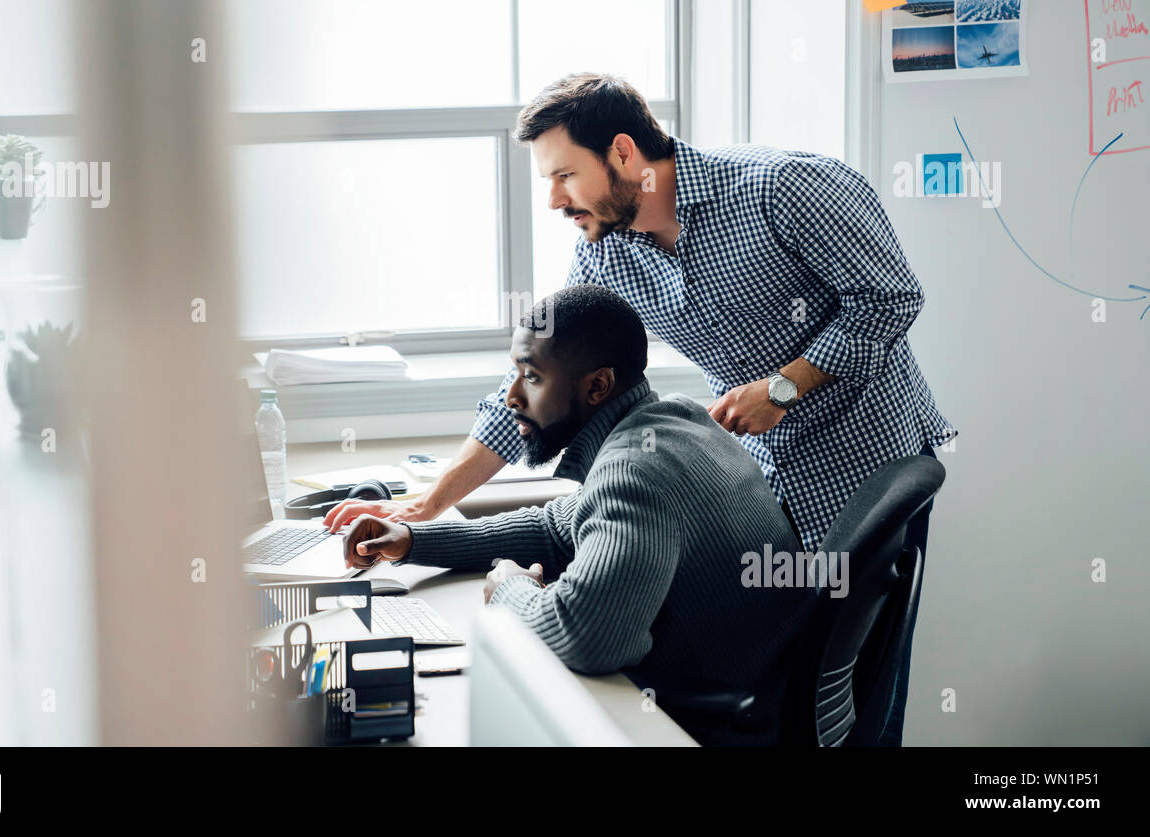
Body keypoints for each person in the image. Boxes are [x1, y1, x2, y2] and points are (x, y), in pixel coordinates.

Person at [327, 73, 956, 745]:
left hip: (865, 467)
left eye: (565, 174)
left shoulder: (782, 188)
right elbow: (546, 371)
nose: (552, 198)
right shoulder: (606, 252)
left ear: (624, 154)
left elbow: (889, 298)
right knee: (789, 684)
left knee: (855, 706)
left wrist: (783, 387)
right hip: (773, 481)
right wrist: (426, 505)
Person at [343, 285, 811, 745]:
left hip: (704, 728)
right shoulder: (677, 417)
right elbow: (556, 527)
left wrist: (510, 589)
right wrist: (413, 539)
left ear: (598, 386)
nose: (511, 397)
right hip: (743, 696)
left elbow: (586, 637)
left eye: (532, 377)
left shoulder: (634, 471)